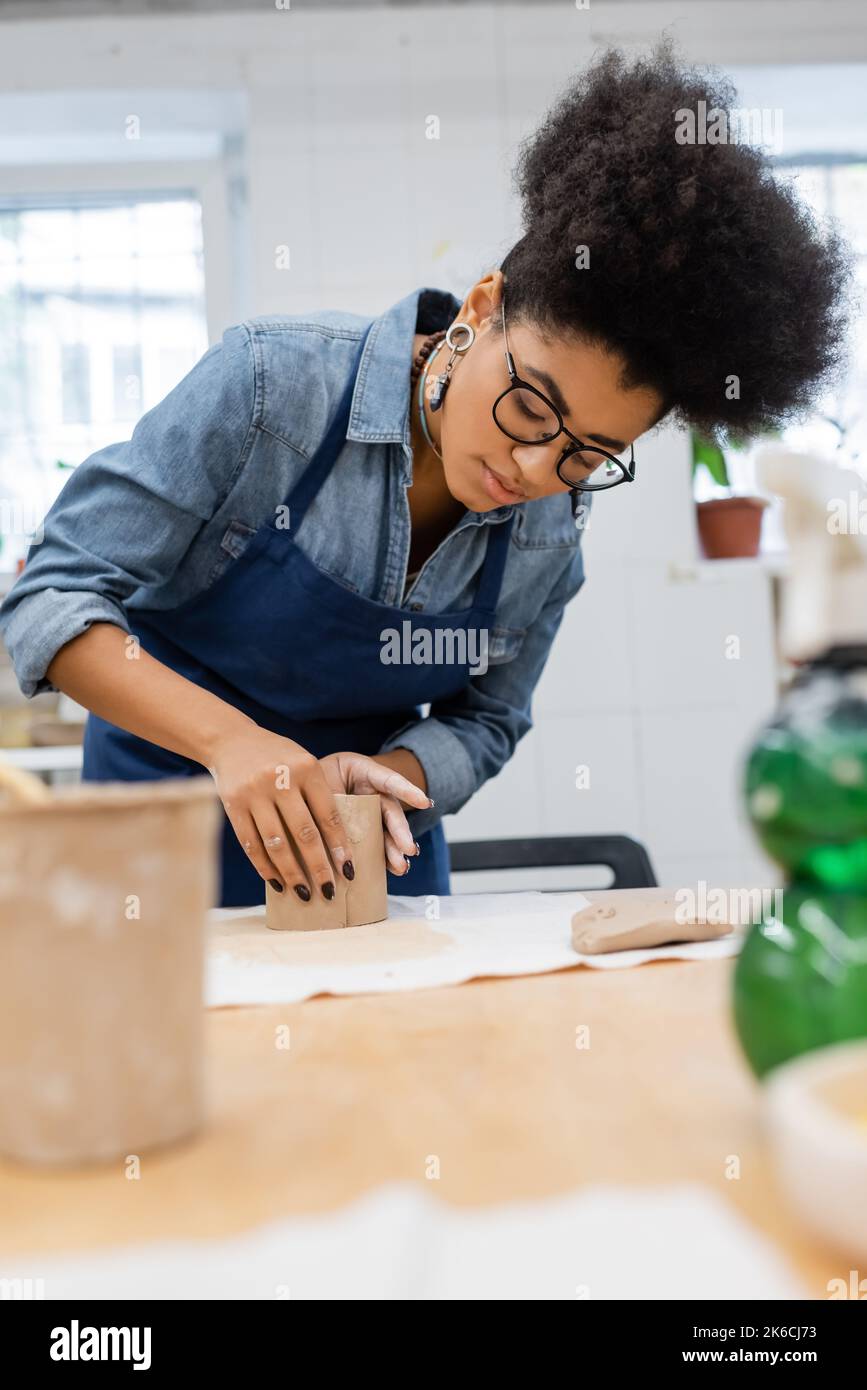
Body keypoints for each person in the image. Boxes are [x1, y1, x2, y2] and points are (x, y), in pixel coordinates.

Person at [0, 42, 851, 907]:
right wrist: (231, 742)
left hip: (366, 855)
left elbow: (488, 719)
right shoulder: (271, 390)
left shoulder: (549, 537)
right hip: (161, 833)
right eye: (528, 407)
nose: (533, 467)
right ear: (481, 310)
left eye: (585, 456)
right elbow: (53, 593)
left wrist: (384, 777)